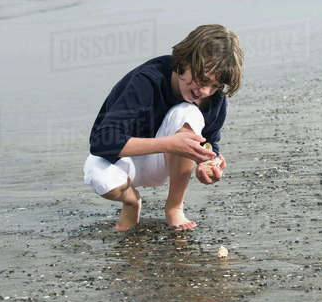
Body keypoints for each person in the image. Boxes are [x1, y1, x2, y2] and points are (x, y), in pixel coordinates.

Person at [83, 24, 244, 231]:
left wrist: (208, 164)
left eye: (215, 85)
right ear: (183, 62)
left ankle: (174, 207)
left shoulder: (213, 99)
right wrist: (169, 144)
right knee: (99, 177)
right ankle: (132, 202)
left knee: (187, 113)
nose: (204, 91)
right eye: (202, 79)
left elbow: (210, 139)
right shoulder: (147, 81)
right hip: (124, 161)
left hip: (165, 163)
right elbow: (100, 143)